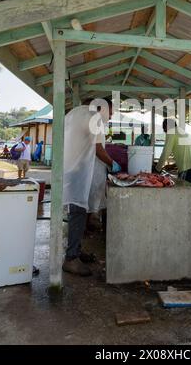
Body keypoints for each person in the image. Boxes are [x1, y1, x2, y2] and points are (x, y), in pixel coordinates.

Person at [62, 98, 121, 277]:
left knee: (78, 211)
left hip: (70, 168)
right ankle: (71, 258)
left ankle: (76, 251)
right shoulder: (94, 117)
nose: (111, 116)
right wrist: (113, 164)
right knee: (78, 212)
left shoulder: (75, 112)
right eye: (110, 112)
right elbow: (98, 149)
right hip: (79, 170)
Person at [156, 118, 191, 186]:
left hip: (188, 168)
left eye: (164, 128)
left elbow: (166, 151)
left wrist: (157, 168)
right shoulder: (181, 131)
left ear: (167, 126)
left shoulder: (171, 132)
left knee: (183, 192)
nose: (164, 131)